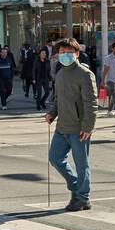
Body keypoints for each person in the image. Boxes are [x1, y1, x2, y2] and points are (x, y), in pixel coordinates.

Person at [44, 39, 96, 212]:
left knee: (82, 164)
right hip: (62, 126)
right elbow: (58, 99)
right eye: (62, 52)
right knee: (55, 158)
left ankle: (83, 198)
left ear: (77, 54)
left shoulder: (84, 74)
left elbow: (91, 103)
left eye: (68, 52)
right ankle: (76, 187)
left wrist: (87, 127)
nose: (65, 55)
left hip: (79, 128)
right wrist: (52, 113)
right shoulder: (60, 73)